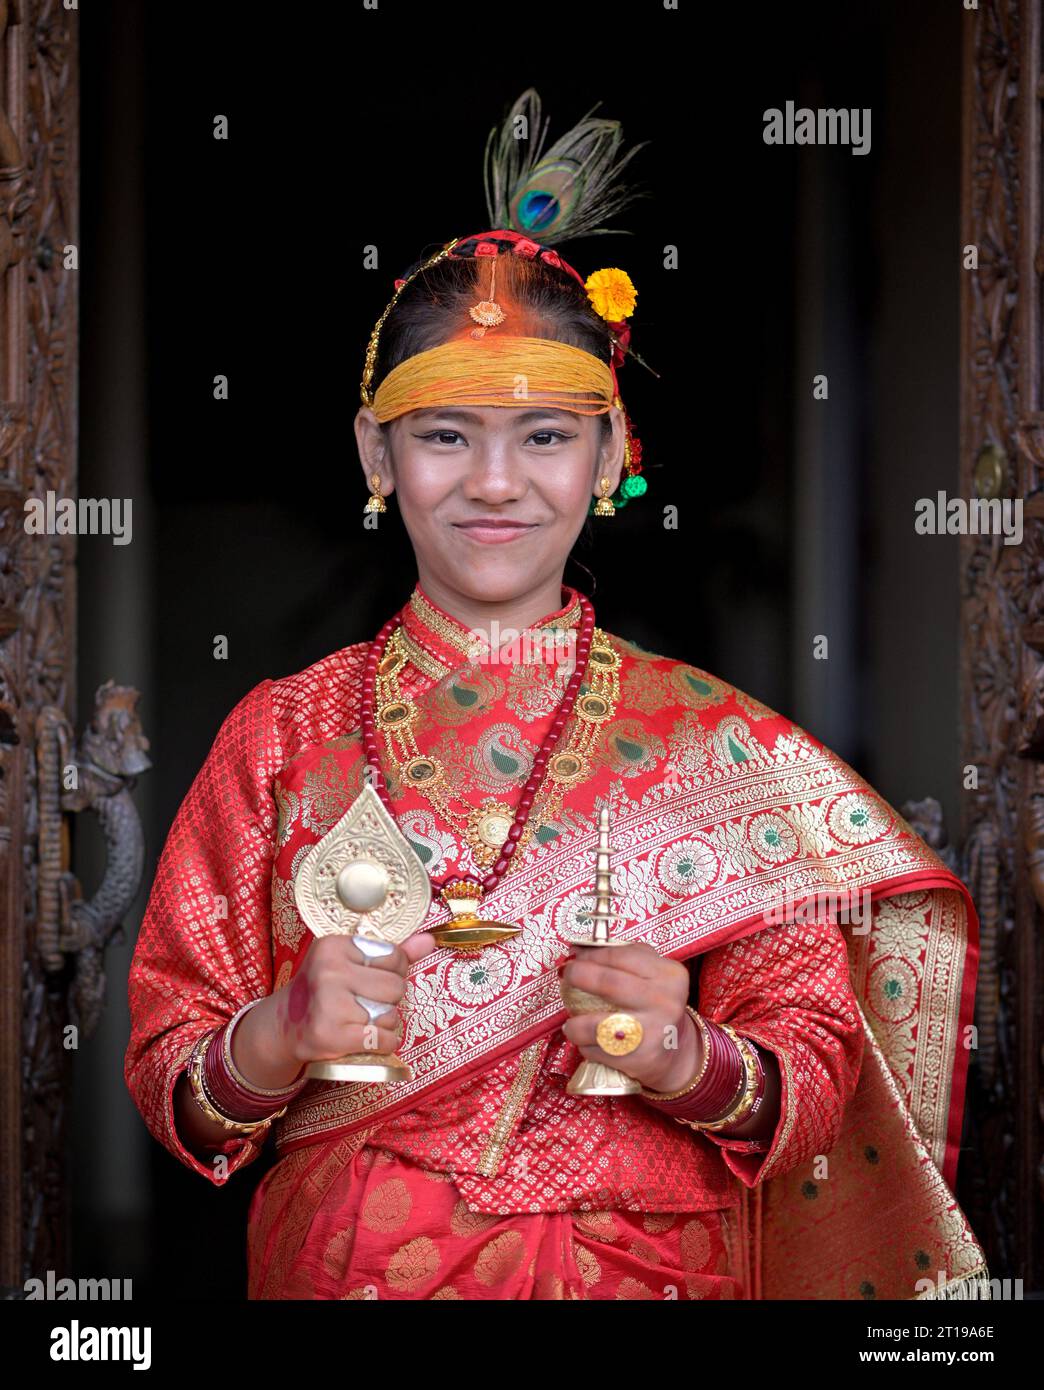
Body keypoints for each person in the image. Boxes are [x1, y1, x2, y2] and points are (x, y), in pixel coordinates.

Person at [125, 91, 989, 1300]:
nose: (494, 483)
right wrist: (280, 1034)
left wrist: (685, 1052)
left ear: (613, 453)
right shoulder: (283, 737)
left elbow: (814, 1072)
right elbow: (175, 1082)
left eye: (543, 435)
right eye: (442, 437)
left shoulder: (715, 745)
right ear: (376, 455)